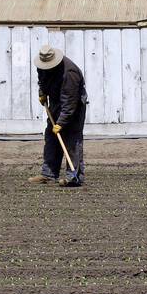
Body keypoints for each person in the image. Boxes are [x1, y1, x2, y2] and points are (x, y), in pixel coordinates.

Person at [31, 45, 88, 187]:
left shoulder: (70, 73)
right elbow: (41, 80)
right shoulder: (42, 66)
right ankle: (49, 173)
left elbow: (70, 102)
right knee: (51, 137)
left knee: (71, 139)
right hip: (56, 102)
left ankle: (74, 177)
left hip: (74, 106)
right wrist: (42, 93)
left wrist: (61, 122)